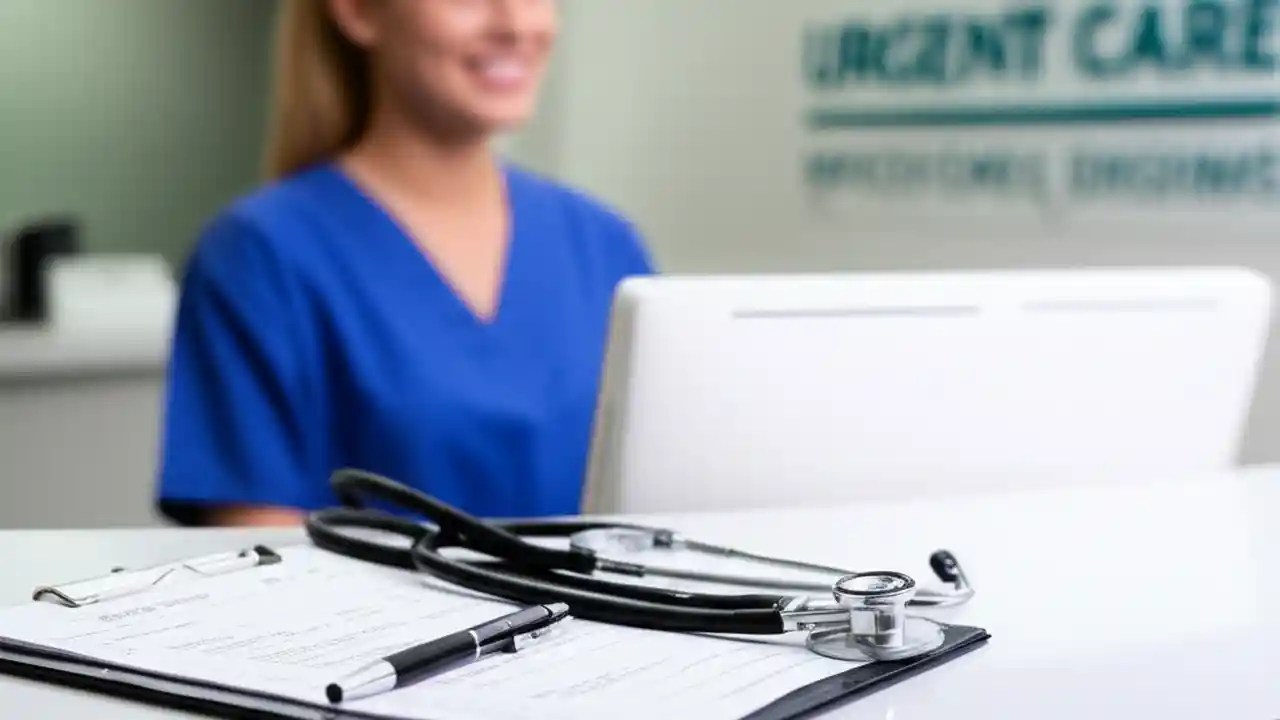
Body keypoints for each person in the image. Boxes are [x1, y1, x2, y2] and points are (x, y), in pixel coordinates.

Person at [156, 0, 653, 527]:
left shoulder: (605, 246)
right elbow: (255, 548)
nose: (515, 23)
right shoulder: (259, 257)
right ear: (358, 12)